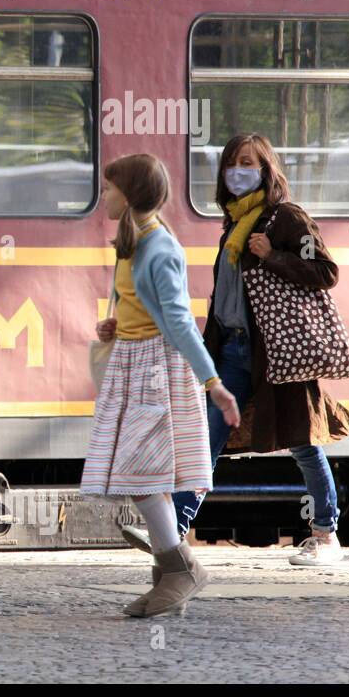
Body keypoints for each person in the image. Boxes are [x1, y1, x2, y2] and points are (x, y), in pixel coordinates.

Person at [121, 133, 349, 565]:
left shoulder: (286, 218)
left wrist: (272, 256)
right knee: (205, 438)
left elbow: (325, 272)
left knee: (303, 443)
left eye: (247, 162)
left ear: (266, 169)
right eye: (231, 162)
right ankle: (171, 529)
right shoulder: (233, 224)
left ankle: (325, 534)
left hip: (277, 354)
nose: (236, 170)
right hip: (232, 351)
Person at [85, 154, 240, 617]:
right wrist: (115, 325)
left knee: (140, 470)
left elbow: (179, 321)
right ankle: (172, 569)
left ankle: (177, 568)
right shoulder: (133, 243)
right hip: (132, 364)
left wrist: (212, 382)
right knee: (139, 473)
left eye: (110, 189)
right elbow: (142, 307)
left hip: (156, 369)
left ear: (129, 195)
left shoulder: (159, 247)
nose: (104, 196)